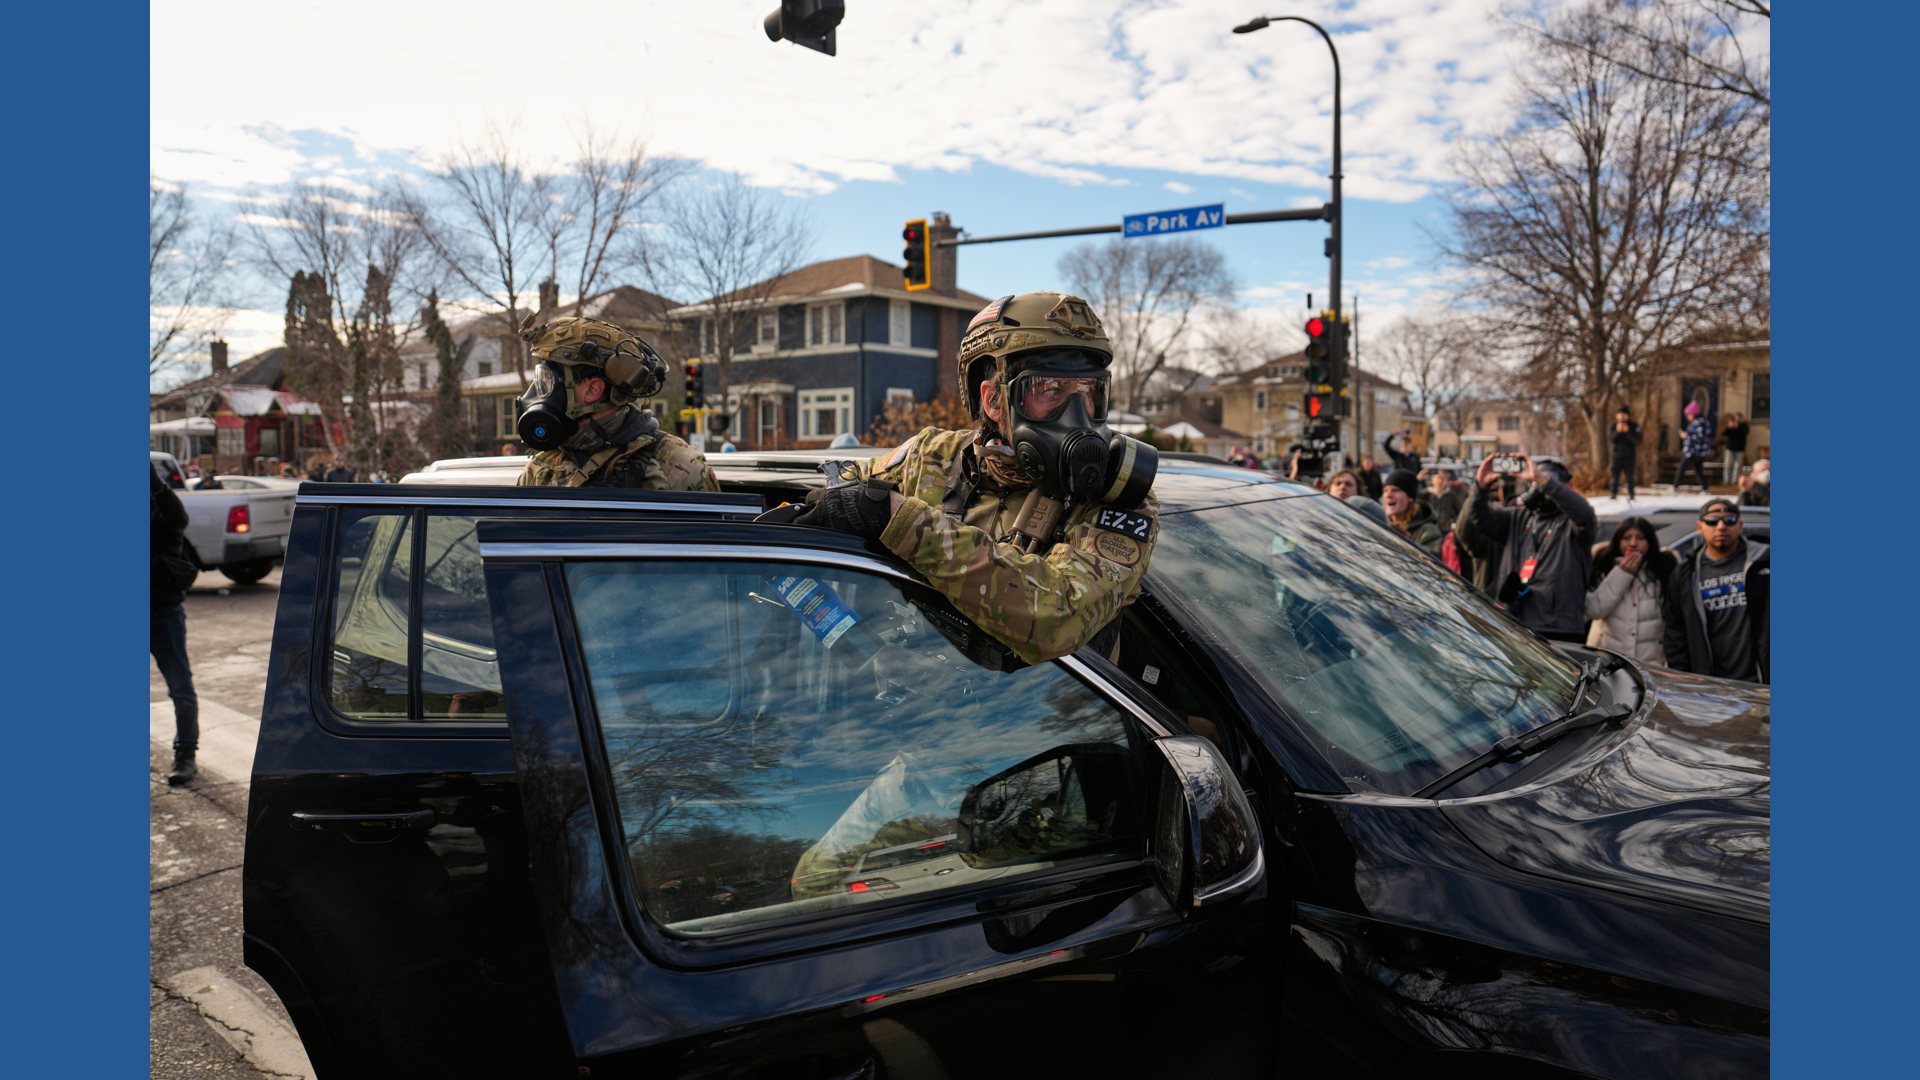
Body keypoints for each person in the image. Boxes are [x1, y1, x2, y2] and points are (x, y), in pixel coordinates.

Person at [775, 291, 1159, 665]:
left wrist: (900, 520)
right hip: (930, 710)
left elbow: (1057, 616)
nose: (1080, 411)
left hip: (1056, 722)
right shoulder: (930, 457)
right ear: (993, 400)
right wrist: (856, 641)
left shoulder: (1120, 496)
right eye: (1051, 389)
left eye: (1091, 391)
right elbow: (833, 500)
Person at [515, 317, 719, 491]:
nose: (539, 391)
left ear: (593, 390)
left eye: (548, 379)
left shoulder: (678, 468)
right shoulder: (541, 469)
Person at [1459, 454, 1597, 641]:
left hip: (1560, 629)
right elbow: (1479, 517)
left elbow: (1585, 514)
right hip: (1515, 624)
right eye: (1534, 481)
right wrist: (1480, 486)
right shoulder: (1518, 518)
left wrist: (1544, 480)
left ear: (1567, 487)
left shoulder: (1574, 525)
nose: (1540, 487)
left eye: (1547, 480)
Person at [1662, 498, 1768, 683]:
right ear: (1699, 527)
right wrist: (1685, 680)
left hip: (1760, 684)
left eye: (1729, 520)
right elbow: (1675, 632)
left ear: (1740, 526)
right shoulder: (1686, 574)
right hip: (1711, 688)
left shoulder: (1765, 564)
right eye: (1712, 521)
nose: (1721, 527)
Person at [151, 468, 201, 785]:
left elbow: (179, 516)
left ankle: (186, 755)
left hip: (162, 612)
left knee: (180, 689)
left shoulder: (162, 510)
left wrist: (156, 484)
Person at [1584, 517, 1675, 665]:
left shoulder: (1663, 569)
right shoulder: (1603, 565)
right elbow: (1594, 611)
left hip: (1651, 663)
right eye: (1626, 538)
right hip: (1609, 663)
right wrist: (1621, 574)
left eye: (1640, 538)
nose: (1633, 544)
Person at [1382, 468, 1444, 557]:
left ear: (1410, 498)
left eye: (1395, 490)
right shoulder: (1379, 523)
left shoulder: (1428, 531)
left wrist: (1400, 541)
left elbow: (1429, 558)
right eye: (1385, 491)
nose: (1388, 495)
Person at [1674, 401, 1711, 494]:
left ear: (1694, 414)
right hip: (1698, 451)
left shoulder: (1699, 423)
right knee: (1698, 470)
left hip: (1694, 451)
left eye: (1688, 414)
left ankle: (1675, 487)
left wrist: (1686, 436)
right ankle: (1705, 489)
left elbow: (1700, 436)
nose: (1687, 417)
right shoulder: (1699, 422)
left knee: (1682, 468)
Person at [1609, 406, 1642, 499]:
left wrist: (1628, 431)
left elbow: (1637, 439)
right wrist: (1618, 431)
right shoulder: (1613, 426)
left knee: (1630, 477)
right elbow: (1611, 439)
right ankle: (1613, 494)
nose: (1622, 417)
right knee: (1615, 476)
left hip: (1629, 456)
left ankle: (1631, 494)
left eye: (1624, 414)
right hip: (1616, 456)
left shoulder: (1633, 426)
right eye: (1620, 415)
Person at [1721, 412, 1750, 481]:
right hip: (1730, 448)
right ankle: (1726, 480)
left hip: (1740, 448)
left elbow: (1745, 433)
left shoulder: (1744, 425)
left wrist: (1737, 428)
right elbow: (1724, 434)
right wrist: (1728, 427)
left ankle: (1735, 480)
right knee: (1727, 465)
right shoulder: (1731, 426)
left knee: (1738, 466)